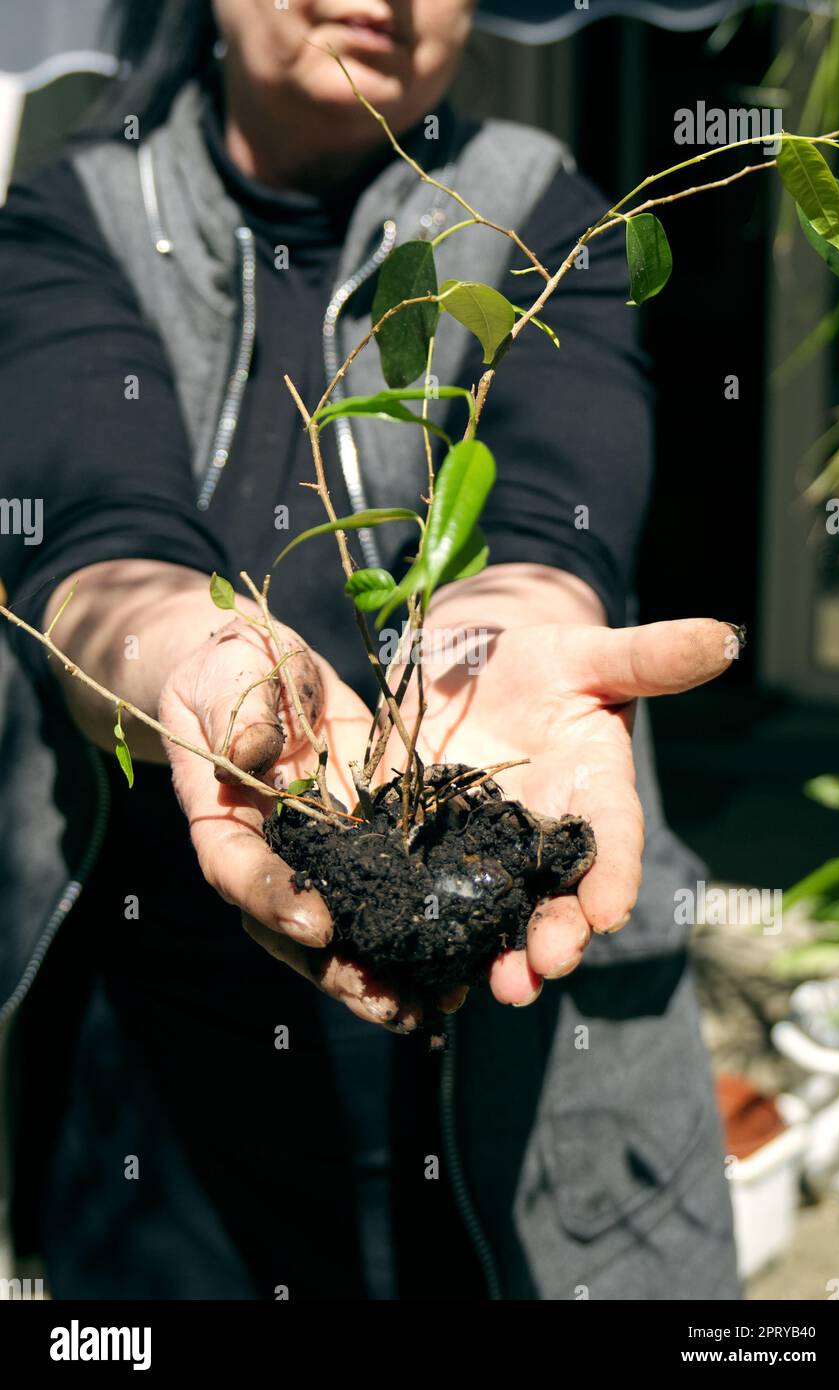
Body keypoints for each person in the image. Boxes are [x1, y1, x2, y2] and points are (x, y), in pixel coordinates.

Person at [0, 0, 740, 1299]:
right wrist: (180, 648)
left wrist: (524, 605)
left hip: (527, 1121)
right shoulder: (73, 217)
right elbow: (94, 527)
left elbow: (547, 505)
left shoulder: (540, 216)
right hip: (167, 1119)